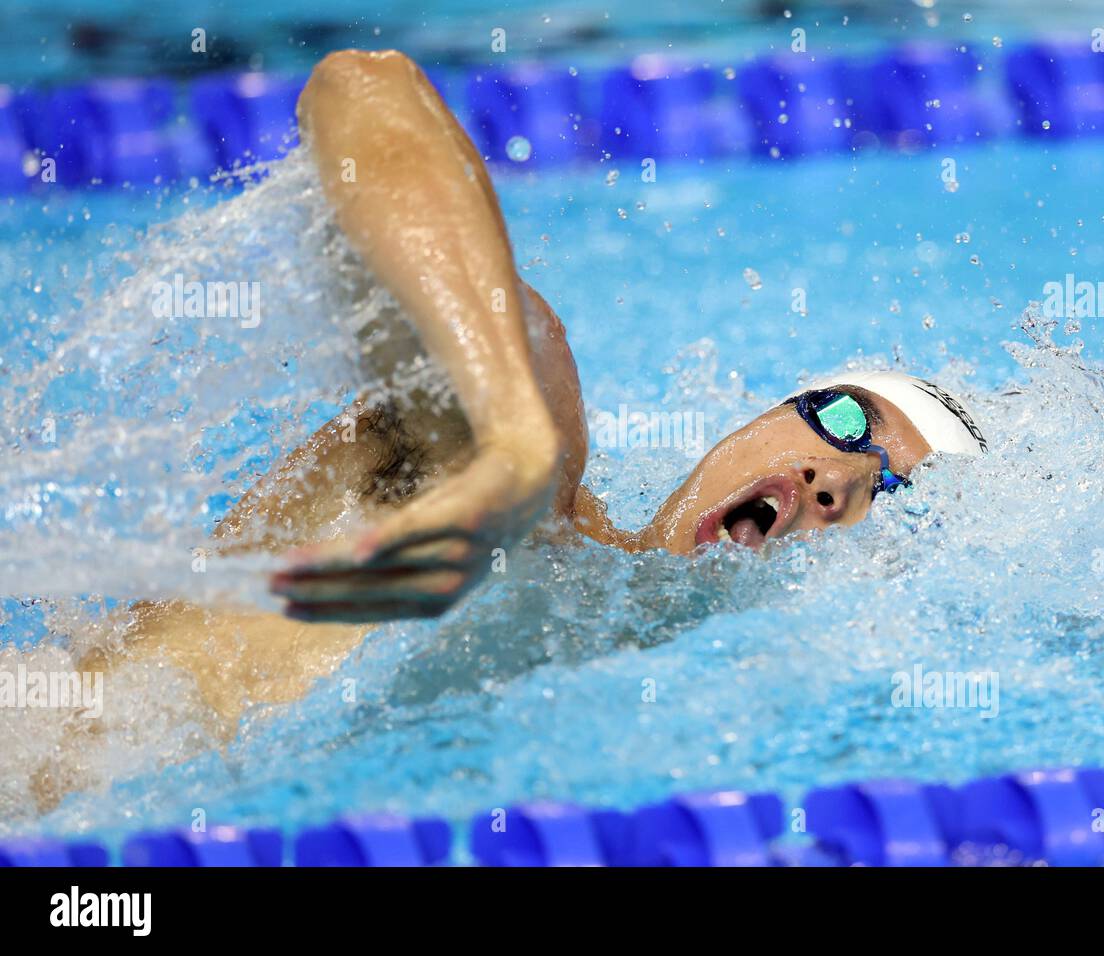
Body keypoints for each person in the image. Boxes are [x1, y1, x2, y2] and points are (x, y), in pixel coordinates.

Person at [31, 49, 986, 804]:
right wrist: (513, 454)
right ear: (759, 421)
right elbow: (363, 87)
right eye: (846, 422)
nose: (837, 481)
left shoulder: (655, 722)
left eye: (888, 493)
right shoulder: (530, 470)